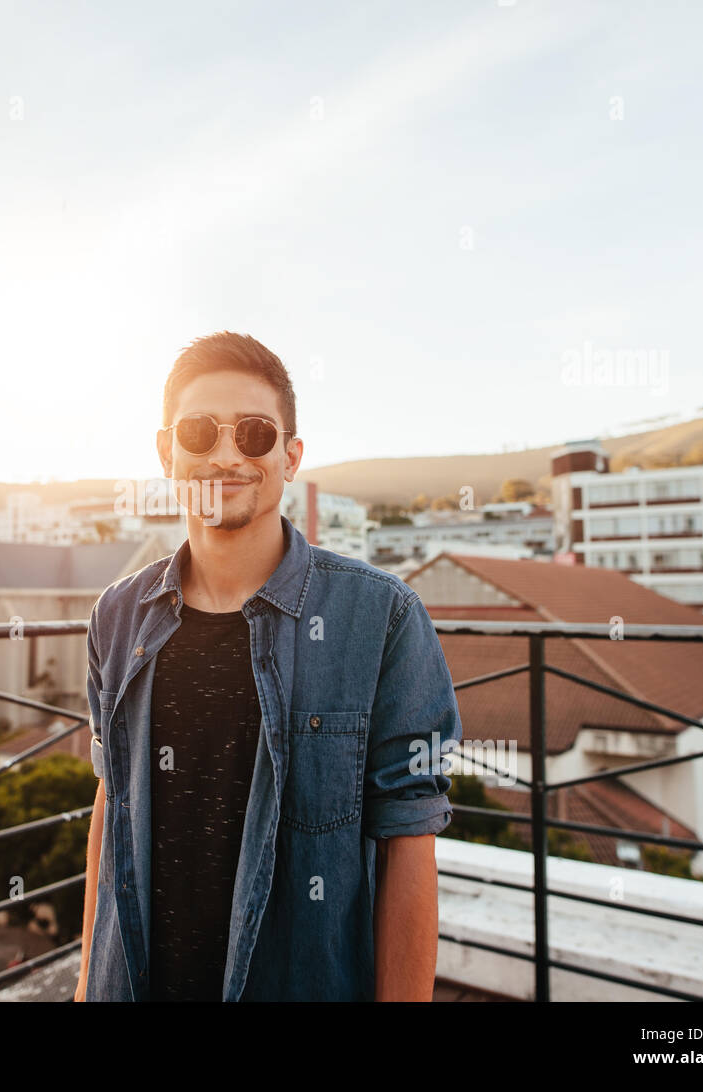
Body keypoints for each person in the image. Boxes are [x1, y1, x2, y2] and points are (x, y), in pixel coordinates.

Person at [74, 331, 461, 1001]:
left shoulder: (382, 618)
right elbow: (112, 801)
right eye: (199, 432)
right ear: (167, 450)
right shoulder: (118, 615)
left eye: (254, 434)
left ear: (290, 456)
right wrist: (86, 986)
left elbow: (409, 841)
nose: (226, 454)